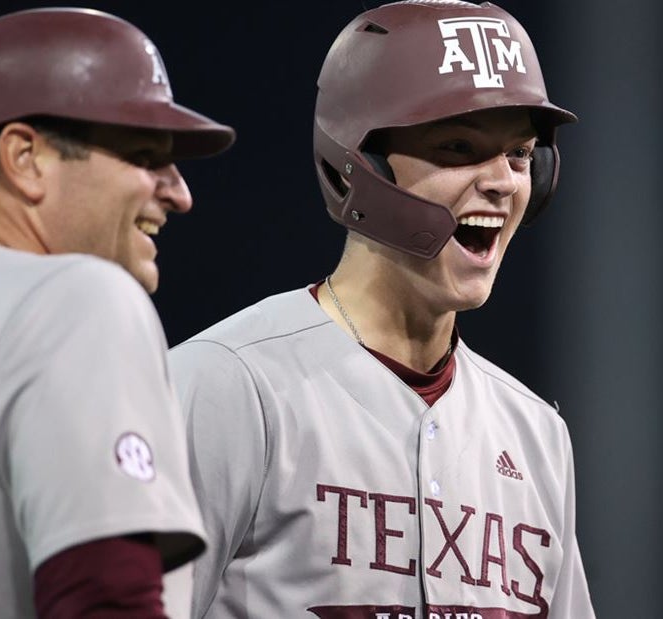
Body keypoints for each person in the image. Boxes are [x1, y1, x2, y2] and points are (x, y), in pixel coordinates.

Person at [168, 1, 596, 616]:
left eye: (521, 155)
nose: (503, 181)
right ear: (360, 167)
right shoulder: (230, 385)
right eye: (458, 146)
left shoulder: (537, 438)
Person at [0, 7, 236, 617]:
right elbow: (105, 595)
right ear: (25, 158)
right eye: (143, 154)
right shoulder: (73, 298)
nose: (180, 193)